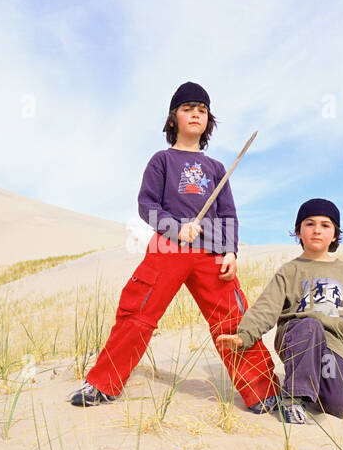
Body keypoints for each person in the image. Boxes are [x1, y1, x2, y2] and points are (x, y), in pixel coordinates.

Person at [69, 82, 290, 420]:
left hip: (212, 253)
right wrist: (175, 227)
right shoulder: (162, 161)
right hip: (168, 247)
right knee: (138, 311)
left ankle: (262, 391)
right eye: (188, 109)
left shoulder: (216, 169)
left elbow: (229, 213)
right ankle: (103, 383)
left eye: (202, 110)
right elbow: (146, 206)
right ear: (173, 118)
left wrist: (231, 251)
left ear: (208, 121)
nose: (195, 114)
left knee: (233, 319)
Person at [215, 198, 343, 422]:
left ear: (334, 235)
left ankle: (323, 387)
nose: (317, 230)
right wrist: (244, 335)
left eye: (325, 225)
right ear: (298, 232)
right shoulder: (290, 270)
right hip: (299, 336)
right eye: (310, 224)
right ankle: (293, 397)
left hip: (334, 346)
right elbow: (266, 308)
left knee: (339, 406)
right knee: (310, 325)